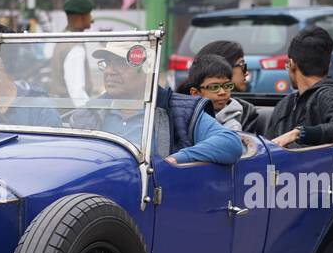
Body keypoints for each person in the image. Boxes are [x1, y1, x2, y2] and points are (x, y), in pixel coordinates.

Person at [89, 46, 243, 165]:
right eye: (107, 63)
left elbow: (230, 143)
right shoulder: (91, 110)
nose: (109, 71)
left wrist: (176, 160)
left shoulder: (179, 109)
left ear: (147, 71)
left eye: (121, 64)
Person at [265, 26, 333, 147]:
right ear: (329, 64)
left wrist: (298, 133)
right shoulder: (285, 104)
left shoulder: (328, 95)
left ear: (291, 65)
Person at [191, 38, 259, 130]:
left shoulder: (245, 112)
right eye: (241, 64)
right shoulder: (182, 111)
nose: (246, 72)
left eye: (227, 86)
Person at [50, 0, 98, 105]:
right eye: (89, 14)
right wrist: (88, 117)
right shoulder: (75, 47)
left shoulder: (63, 38)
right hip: (70, 114)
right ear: (79, 18)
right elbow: (77, 93)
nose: (92, 19)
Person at [185, 53, 247, 131]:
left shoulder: (232, 126)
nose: (222, 92)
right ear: (195, 93)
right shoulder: (183, 117)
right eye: (214, 87)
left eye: (227, 86)